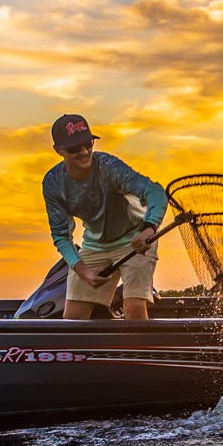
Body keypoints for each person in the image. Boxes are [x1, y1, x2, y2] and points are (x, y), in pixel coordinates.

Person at [42, 113, 168, 320]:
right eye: (75, 148)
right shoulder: (52, 183)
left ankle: (139, 351)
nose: (84, 152)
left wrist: (149, 229)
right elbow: (61, 237)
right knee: (72, 318)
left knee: (134, 307)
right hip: (95, 245)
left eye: (88, 144)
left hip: (135, 239)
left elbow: (154, 192)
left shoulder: (109, 167)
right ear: (59, 151)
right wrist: (84, 272)